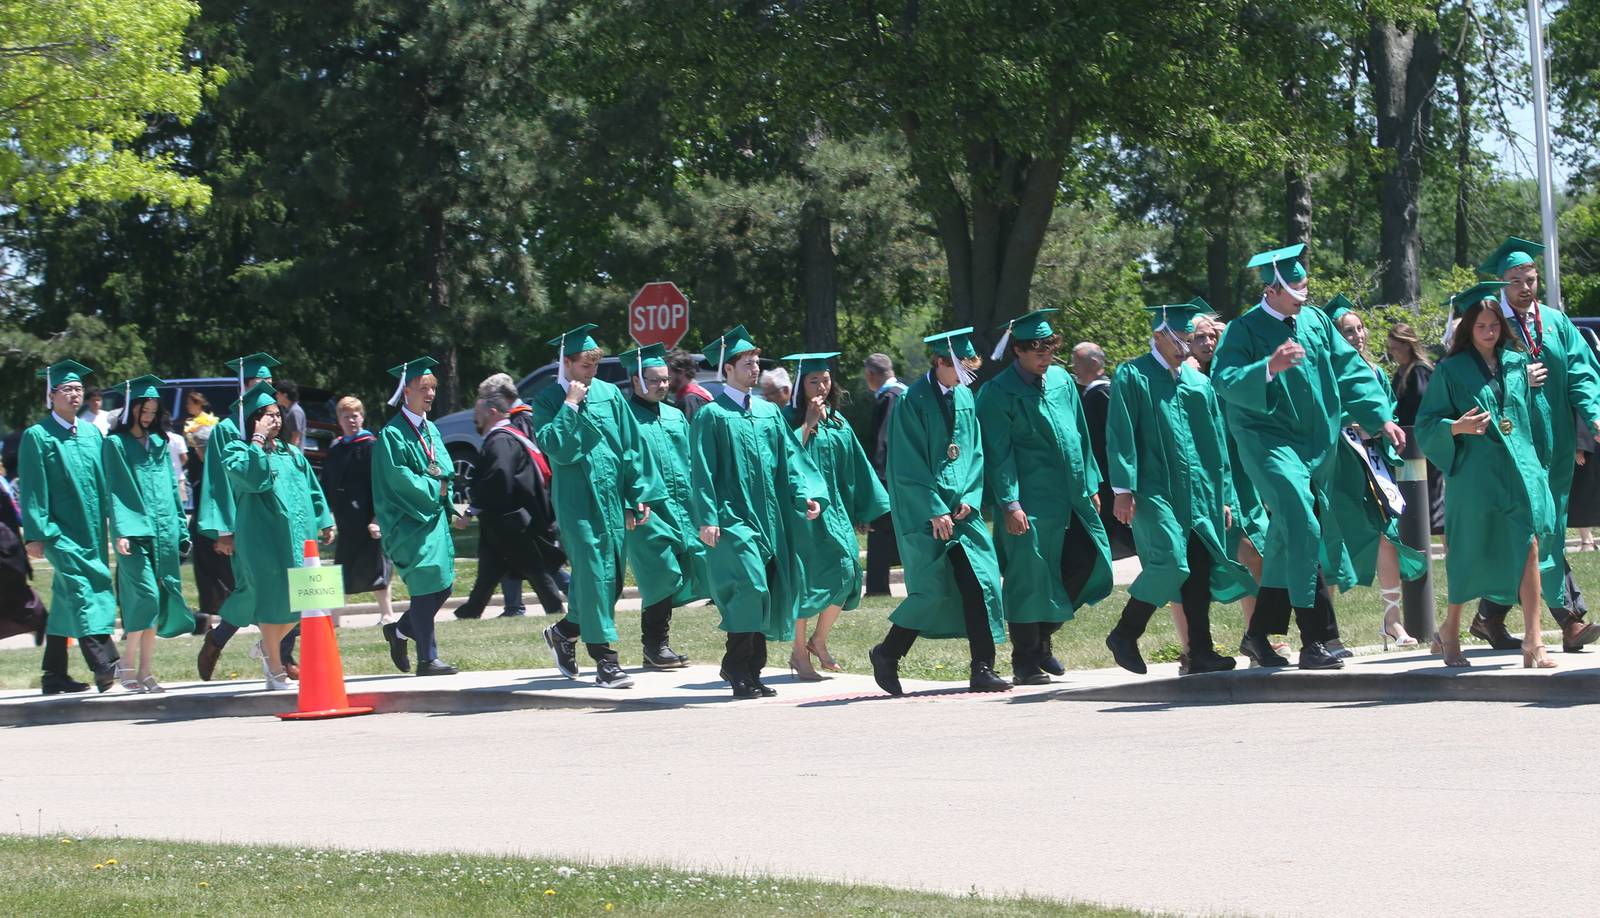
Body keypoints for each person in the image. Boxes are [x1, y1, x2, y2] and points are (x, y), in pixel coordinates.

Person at [1210, 243, 1404, 670]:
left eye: (1304, 281)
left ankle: (1258, 637)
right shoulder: (1244, 329)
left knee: (1288, 535)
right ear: (1274, 287)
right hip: (1267, 441)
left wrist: (1381, 417)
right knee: (1301, 518)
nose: (1304, 289)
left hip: (1315, 445)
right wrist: (1268, 368)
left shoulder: (1314, 321)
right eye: (1296, 283)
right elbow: (1223, 379)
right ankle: (1317, 637)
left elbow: (1351, 370)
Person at [1104, 303, 1256, 675]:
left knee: (1199, 569)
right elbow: (1120, 432)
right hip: (1153, 488)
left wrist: (1223, 495)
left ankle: (1200, 651)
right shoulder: (1133, 375)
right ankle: (1125, 632)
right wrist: (1123, 489)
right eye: (1180, 340)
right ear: (1158, 336)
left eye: (1190, 339)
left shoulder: (1197, 384)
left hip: (1200, 490)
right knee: (1171, 561)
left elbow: (1217, 444)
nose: (1187, 347)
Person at [1417, 282, 1558, 669]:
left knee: (1528, 547)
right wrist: (1456, 428)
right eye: (1480, 326)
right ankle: (1450, 630)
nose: (1489, 332)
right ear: (1468, 329)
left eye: (1494, 324)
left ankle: (1534, 640)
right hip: (1475, 475)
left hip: (1517, 471)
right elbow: (1425, 424)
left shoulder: (1516, 363)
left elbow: (1532, 415)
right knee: (1468, 550)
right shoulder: (1450, 370)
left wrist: (1539, 460)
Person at [1472, 236, 1600, 653]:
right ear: (1500, 284)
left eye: (1530, 279)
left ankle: (1489, 616)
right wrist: (1516, 379)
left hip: (1558, 445)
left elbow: (1581, 373)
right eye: (1516, 281)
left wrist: (1592, 418)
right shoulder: (1488, 324)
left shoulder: (1556, 322)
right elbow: (1470, 378)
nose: (1526, 287)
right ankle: (1571, 620)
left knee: (1545, 529)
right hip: (1513, 446)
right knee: (1537, 528)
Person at [868, 327, 1011, 695]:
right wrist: (934, 507)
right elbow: (906, 464)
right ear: (941, 362)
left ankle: (983, 667)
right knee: (930, 591)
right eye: (961, 368)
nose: (967, 377)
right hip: (926, 513)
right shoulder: (911, 401)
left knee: (980, 584)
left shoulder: (964, 397)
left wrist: (971, 496)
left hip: (963, 513)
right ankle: (887, 653)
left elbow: (974, 452)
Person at [689, 325, 825, 698]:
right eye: (747, 363)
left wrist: (804, 496)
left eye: (755, 362)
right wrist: (708, 516)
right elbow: (701, 469)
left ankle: (752, 670)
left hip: (769, 517)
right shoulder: (711, 415)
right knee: (749, 586)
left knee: (766, 588)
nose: (755, 369)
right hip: (732, 516)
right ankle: (736, 666)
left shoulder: (767, 412)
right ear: (727, 369)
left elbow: (789, 462)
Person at [978, 311, 1113, 683]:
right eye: (1036, 350)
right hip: (1030, 501)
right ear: (1017, 351)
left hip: (1071, 495)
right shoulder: (998, 393)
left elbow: (1080, 435)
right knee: (1029, 576)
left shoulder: (1061, 381)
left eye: (1049, 348)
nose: (1045, 356)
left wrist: (1091, 482)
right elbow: (997, 452)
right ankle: (1024, 661)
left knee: (1085, 561)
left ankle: (1041, 639)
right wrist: (1009, 503)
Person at [532, 325, 665, 689]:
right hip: (577, 502)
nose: (591, 374)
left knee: (611, 580)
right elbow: (555, 448)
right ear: (567, 363)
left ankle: (564, 632)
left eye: (594, 366)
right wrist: (571, 405)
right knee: (592, 573)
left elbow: (631, 446)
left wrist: (638, 493)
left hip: (612, 500)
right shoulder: (547, 401)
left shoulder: (609, 394)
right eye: (584, 367)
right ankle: (606, 662)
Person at [1326, 297, 1428, 649]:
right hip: (1340, 466)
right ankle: (1329, 631)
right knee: (1333, 541)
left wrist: (1384, 429)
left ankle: (1392, 622)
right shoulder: (1327, 374)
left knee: (1388, 537)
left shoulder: (1375, 373)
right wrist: (1350, 425)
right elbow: (1322, 416)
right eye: (1347, 331)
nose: (1356, 336)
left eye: (1359, 329)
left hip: (1375, 466)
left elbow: (1390, 413)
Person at [218, 382, 335, 690]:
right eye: (268, 415)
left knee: (304, 604)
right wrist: (256, 439)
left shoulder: (292, 453)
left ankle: (267, 647)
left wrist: (325, 520)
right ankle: (274, 668)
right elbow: (253, 479)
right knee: (272, 602)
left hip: (298, 538)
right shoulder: (237, 451)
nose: (276, 420)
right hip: (262, 540)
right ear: (254, 420)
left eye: (278, 414)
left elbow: (312, 489)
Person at [782, 352, 891, 679]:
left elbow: (856, 467)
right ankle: (799, 654)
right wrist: (808, 424)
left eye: (825, 380)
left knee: (848, 572)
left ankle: (818, 639)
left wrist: (863, 507)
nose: (821, 386)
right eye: (814, 380)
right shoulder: (786, 419)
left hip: (836, 511)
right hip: (802, 513)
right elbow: (784, 460)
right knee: (805, 581)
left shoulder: (838, 422)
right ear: (800, 385)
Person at [194, 353, 298, 681]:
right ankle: (232, 643)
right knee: (256, 590)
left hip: (277, 524)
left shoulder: (276, 426)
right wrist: (223, 529)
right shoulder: (228, 429)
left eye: (267, 384)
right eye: (255, 383)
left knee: (285, 586)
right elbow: (218, 480)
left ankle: (277, 653)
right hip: (245, 523)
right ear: (243, 386)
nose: (262, 389)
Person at [20, 361, 121, 695]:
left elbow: (104, 481)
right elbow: (34, 488)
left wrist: (117, 525)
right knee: (83, 592)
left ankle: (54, 674)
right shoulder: (38, 436)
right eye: (67, 389)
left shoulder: (92, 433)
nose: (75, 394)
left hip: (91, 530)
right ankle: (106, 667)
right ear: (52, 396)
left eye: (78, 389)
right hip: (59, 532)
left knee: (66, 599)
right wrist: (36, 535)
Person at [102, 376, 195, 693]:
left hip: (163, 529)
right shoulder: (116, 444)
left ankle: (145, 671)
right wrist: (122, 530)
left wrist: (181, 527)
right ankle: (126, 664)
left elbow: (172, 489)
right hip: (134, 532)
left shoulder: (160, 443)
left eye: (154, 411)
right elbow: (116, 488)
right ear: (131, 407)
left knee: (160, 598)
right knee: (145, 596)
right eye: (144, 408)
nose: (148, 416)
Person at [374, 357, 460, 677]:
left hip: (433, 518)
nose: (431, 394)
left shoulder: (431, 428)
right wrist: (433, 487)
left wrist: (448, 502)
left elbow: (445, 468)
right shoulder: (392, 434)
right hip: (408, 520)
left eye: (434, 388)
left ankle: (398, 632)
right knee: (426, 585)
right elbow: (398, 479)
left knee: (444, 586)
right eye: (424, 388)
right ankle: (428, 659)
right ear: (405, 390)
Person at [619, 343, 702, 668]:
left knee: (687, 569)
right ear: (636, 380)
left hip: (682, 508)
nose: (662, 385)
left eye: (665, 379)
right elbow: (621, 464)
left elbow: (691, 460)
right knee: (660, 574)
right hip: (647, 510)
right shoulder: (625, 418)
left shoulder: (675, 415)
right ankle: (655, 646)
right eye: (654, 380)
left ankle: (655, 648)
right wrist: (628, 502)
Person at [456, 373, 566, 620]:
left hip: (512, 523)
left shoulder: (502, 440)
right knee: (490, 570)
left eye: (478, 411)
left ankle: (557, 611)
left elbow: (498, 479)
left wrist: (474, 508)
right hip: (504, 523)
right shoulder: (506, 437)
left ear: (492, 411)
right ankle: (470, 612)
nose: (475, 417)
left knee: (538, 571)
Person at [322, 396, 395, 625]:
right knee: (341, 568)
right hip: (346, 519)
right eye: (346, 416)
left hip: (368, 518)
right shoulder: (337, 449)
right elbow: (327, 485)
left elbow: (382, 485)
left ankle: (387, 613)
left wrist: (378, 518)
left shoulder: (371, 446)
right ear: (339, 420)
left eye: (355, 415)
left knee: (378, 566)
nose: (351, 420)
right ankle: (334, 618)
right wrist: (327, 518)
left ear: (362, 417)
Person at [1072, 341, 1134, 561]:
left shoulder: (1104, 393)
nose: (1073, 368)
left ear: (1095, 362)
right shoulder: (1091, 393)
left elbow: (1117, 439)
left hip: (1109, 478)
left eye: (1077, 362)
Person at [1387, 321, 1445, 535]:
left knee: (1429, 501)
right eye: (1389, 349)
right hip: (1408, 448)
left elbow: (1422, 406)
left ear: (1407, 345)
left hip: (1421, 447)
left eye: (1395, 348)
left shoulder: (1419, 372)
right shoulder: (1401, 373)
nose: (1392, 353)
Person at [183, 412, 232, 639]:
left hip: (217, 531)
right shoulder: (199, 465)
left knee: (224, 578)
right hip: (203, 528)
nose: (197, 451)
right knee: (207, 579)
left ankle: (224, 623)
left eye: (200, 447)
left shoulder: (218, 468)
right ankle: (208, 621)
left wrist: (221, 534)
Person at [861, 353, 906, 596]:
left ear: (871, 375)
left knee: (879, 532)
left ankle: (877, 588)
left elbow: (883, 443)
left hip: (889, 477)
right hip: (908, 474)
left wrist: (877, 483)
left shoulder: (889, 398)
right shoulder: (905, 393)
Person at [667, 347, 714, 419]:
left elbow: (690, 429)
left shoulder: (690, 399)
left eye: (669, 373)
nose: (666, 378)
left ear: (681, 372)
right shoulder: (692, 395)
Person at [275, 379, 305, 449]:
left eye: (278, 393)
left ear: (285, 395)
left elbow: (296, 438)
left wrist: (289, 455)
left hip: (292, 456)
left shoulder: (295, 412)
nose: (276, 396)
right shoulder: (286, 410)